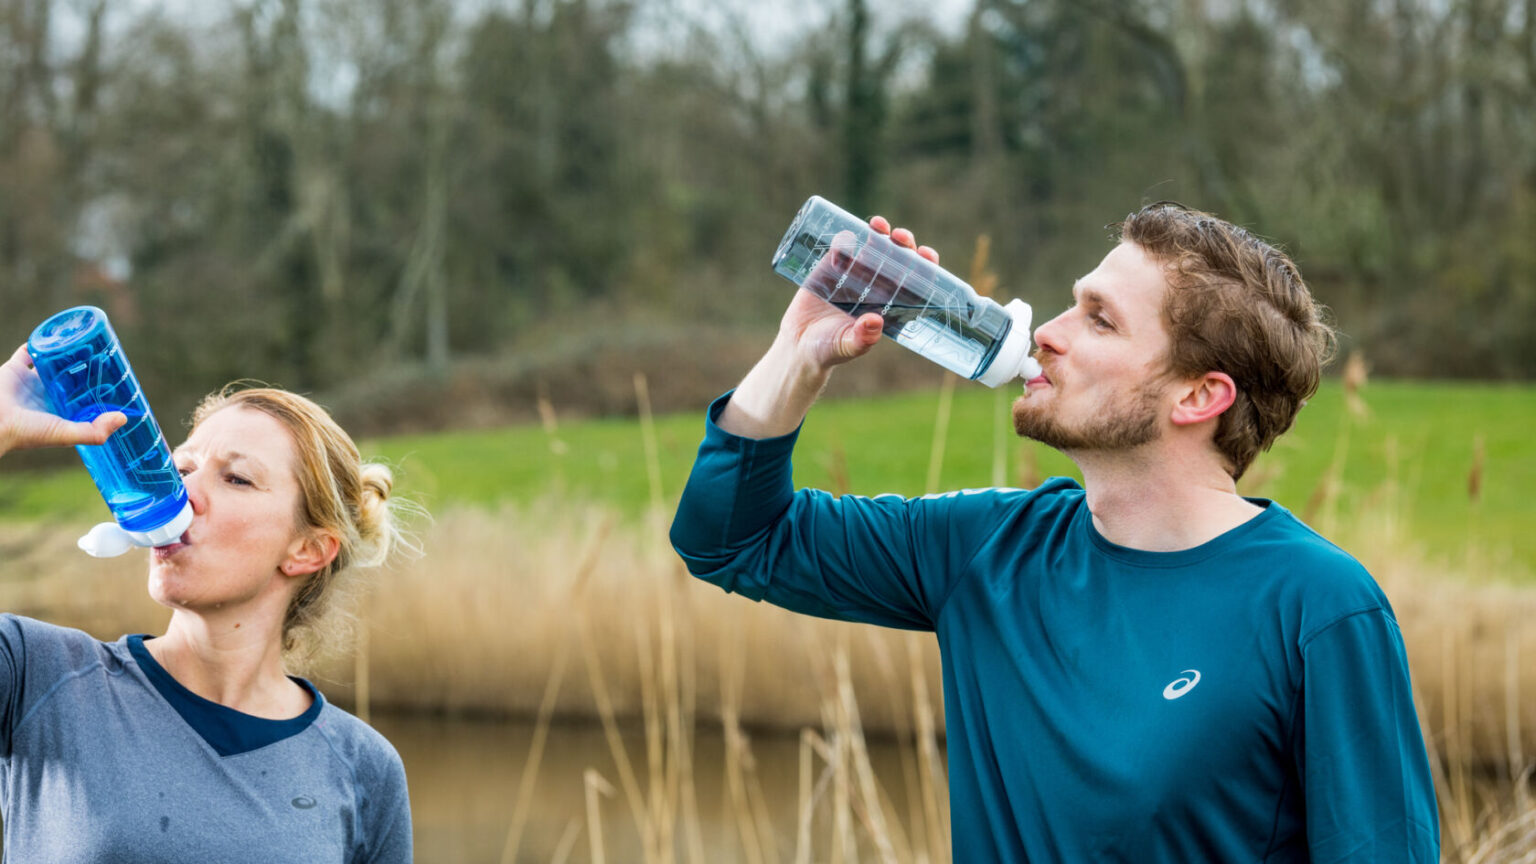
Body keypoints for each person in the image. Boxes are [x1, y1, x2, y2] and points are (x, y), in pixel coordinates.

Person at [670, 203, 1439, 861]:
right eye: (1073, 303)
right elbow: (732, 538)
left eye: (1099, 318)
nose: (1049, 333)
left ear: (1200, 395)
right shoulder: (986, 550)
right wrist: (798, 354)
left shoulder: (1319, 608)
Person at [0, 345, 414, 863]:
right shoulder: (35, 675)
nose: (181, 492)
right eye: (182, 467)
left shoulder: (363, 768)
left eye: (236, 478)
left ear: (308, 550)